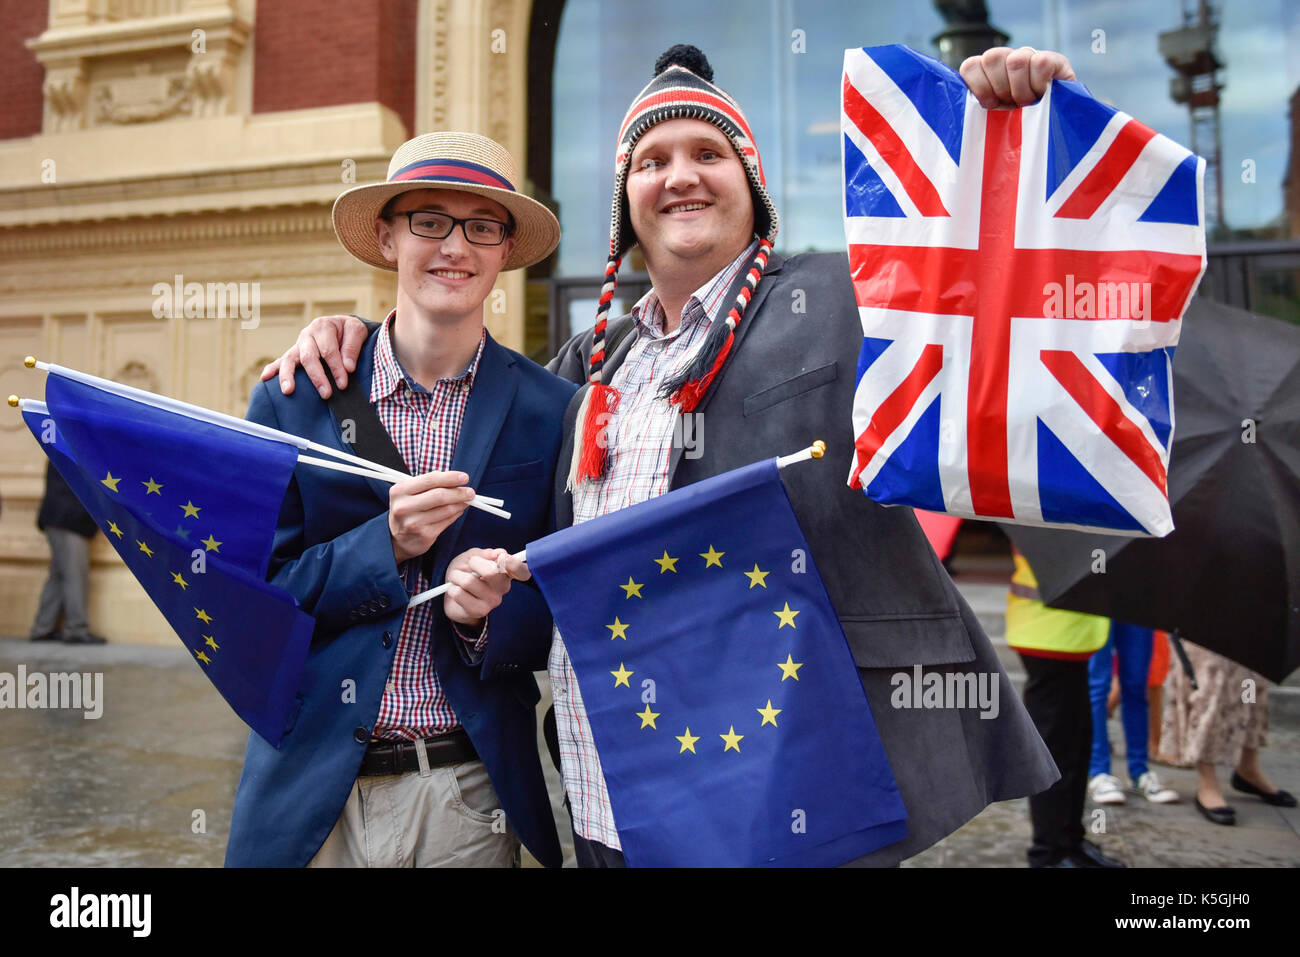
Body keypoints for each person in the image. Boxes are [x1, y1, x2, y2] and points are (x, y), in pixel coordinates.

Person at [264, 44, 1071, 867]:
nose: (680, 175)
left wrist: (1007, 145)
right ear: (628, 202)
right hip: (611, 780)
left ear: (749, 183)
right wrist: (356, 340)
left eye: (707, 154)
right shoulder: (586, 365)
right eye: (652, 160)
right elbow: (465, 381)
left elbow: (985, 303)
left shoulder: (844, 297)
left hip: (789, 778)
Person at [225, 131, 576, 868]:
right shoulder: (297, 395)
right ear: (387, 236)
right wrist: (379, 548)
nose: (455, 245)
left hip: (465, 797)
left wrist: (486, 619)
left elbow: (567, 595)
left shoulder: (554, 412)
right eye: (429, 220)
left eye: (482, 225)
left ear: (505, 249)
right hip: (311, 793)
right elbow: (244, 599)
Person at [1006, 550, 1123, 867]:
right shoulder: (1056, 504)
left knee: (1077, 745)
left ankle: (1070, 841)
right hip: (1048, 635)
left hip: (1070, 637)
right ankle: (1048, 852)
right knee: (1056, 752)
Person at [1162, 640, 1296, 825]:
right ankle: (1207, 782)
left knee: (1251, 687)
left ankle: (1248, 768)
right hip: (1202, 623)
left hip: (1251, 624)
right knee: (1209, 688)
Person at [1086, 621, 1179, 805]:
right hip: (1099, 600)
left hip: (1137, 601)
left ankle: (1139, 771)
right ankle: (1099, 772)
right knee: (1098, 686)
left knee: (1136, 685)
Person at [30, 461, 104, 644]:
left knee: (58, 575)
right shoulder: (71, 445)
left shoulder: (62, 444)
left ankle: (42, 628)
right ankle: (76, 629)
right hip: (68, 520)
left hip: (58, 519)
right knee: (74, 574)